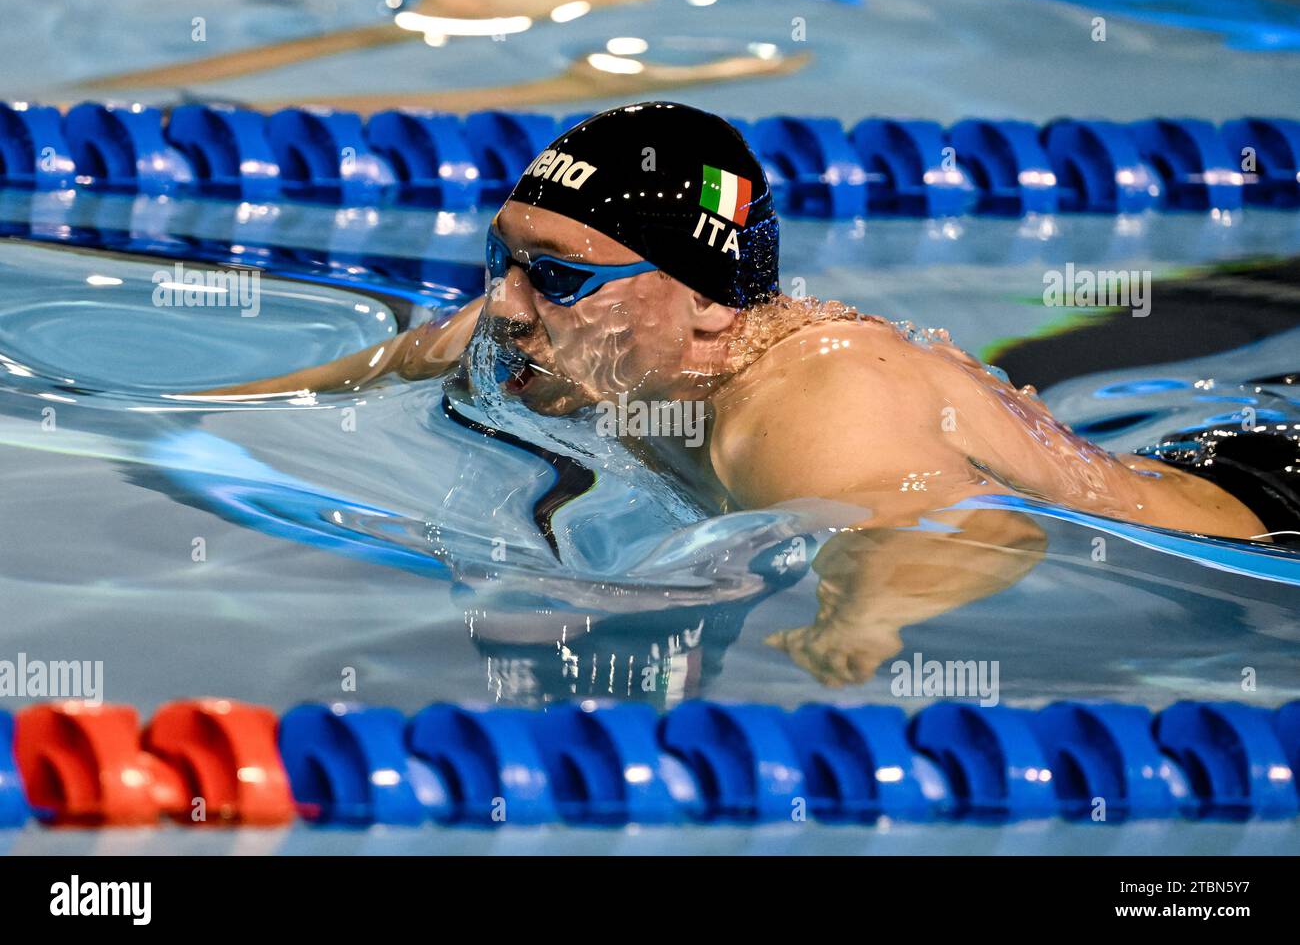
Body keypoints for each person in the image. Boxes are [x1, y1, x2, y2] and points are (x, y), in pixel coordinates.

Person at [194, 101, 1300, 687]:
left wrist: (861, 618)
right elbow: (347, 377)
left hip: (1261, 543)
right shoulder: (570, 334)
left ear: (708, 302)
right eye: (507, 257)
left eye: (561, 276)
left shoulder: (810, 400)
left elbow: (971, 531)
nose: (510, 305)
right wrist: (191, 410)